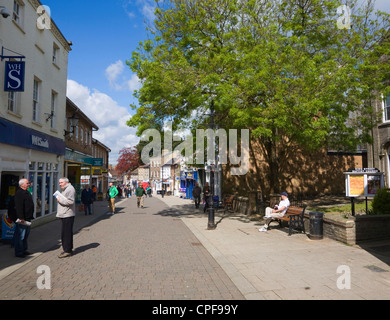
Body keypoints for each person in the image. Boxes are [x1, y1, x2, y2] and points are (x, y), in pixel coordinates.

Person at [13, 179, 34, 258]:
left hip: (28, 217)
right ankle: (19, 252)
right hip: (23, 218)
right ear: (22, 185)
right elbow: (19, 206)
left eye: (28, 183)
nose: (29, 184)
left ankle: (24, 249)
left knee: (25, 235)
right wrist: (21, 217)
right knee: (21, 236)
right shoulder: (19, 193)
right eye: (27, 183)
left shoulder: (26, 192)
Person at [56, 178, 76, 258]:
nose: (59, 184)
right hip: (65, 214)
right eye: (59, 182)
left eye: (61, 182)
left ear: (66, 182)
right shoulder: (65, 189)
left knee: (67, 233)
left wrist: (60, 200)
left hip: (68, 214)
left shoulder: (70, 189)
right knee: (64, 233)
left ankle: (67, 250)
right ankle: (67, 249)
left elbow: (71, 202)